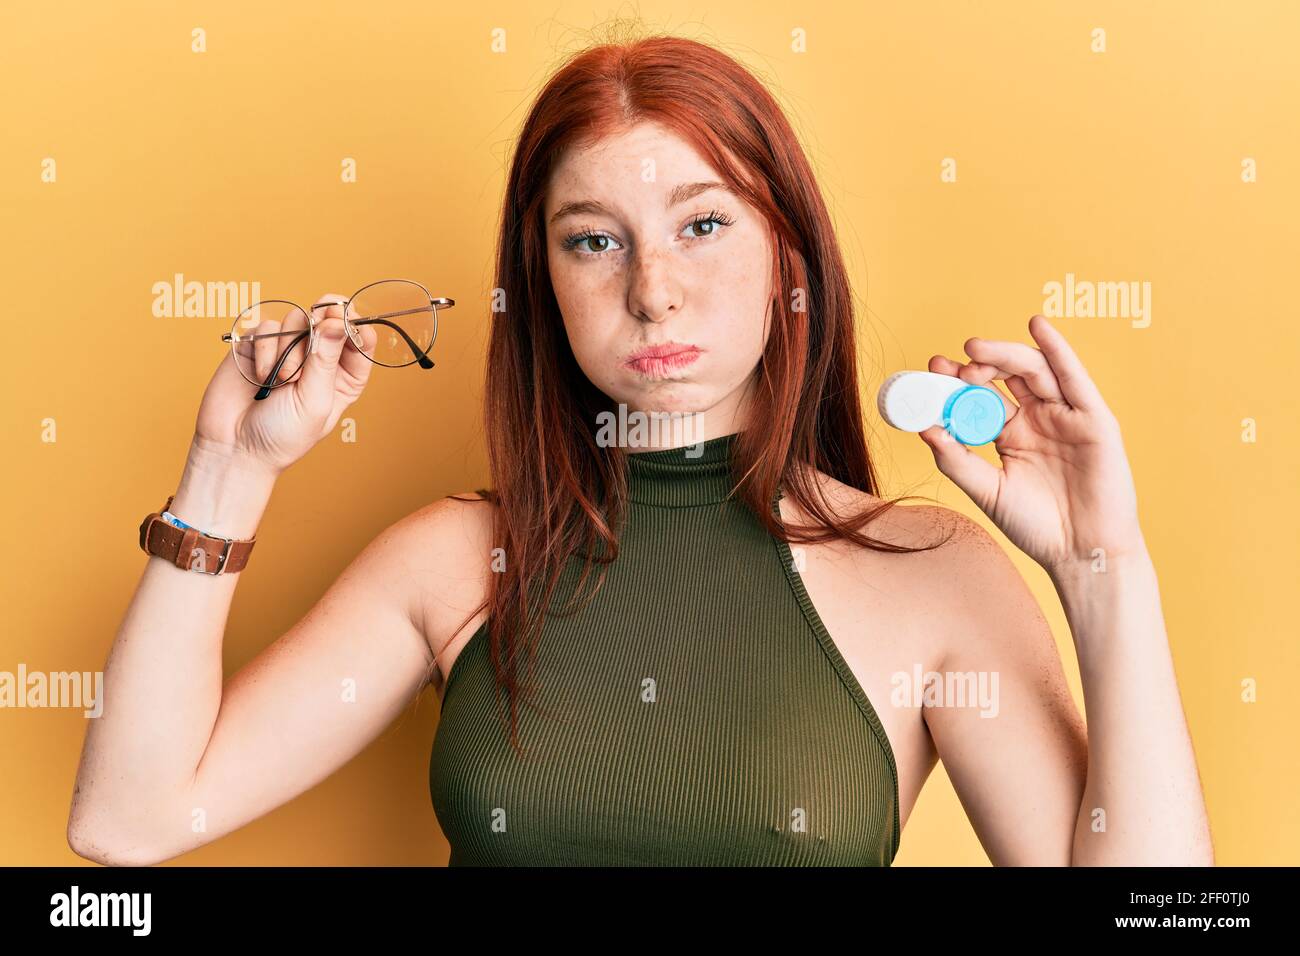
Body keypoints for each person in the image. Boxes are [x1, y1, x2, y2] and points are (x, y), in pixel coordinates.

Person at [67, 33, 1212, 867]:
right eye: (592, 240)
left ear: (788, 255)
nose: (653, 289)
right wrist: (229, 467)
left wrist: (1103, 564)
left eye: (702, 223)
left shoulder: (932, 575)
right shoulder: (455, 559)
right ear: (546, 285)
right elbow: (130, 818)